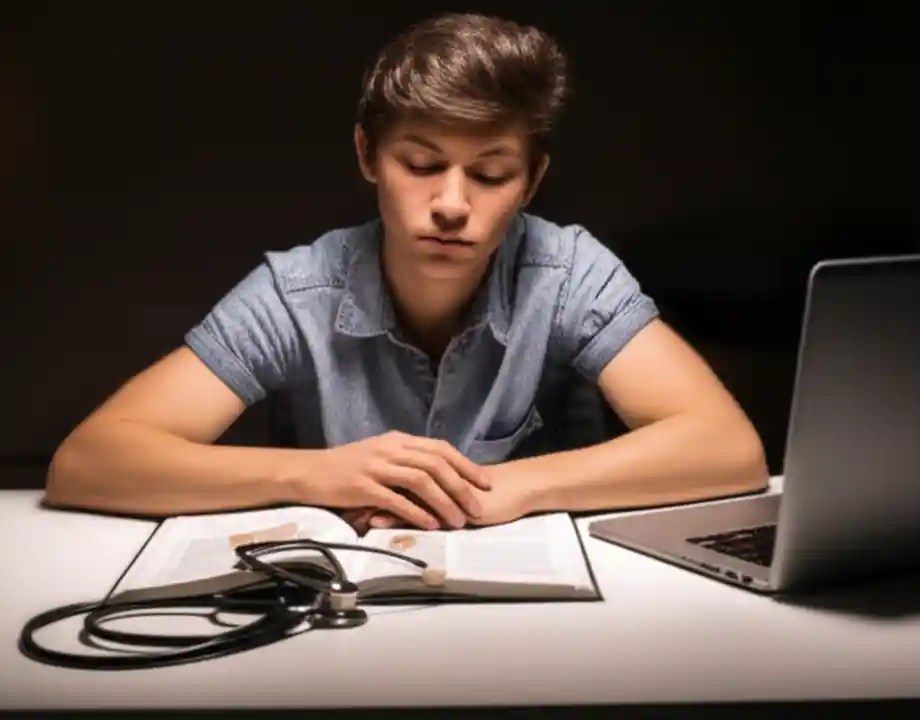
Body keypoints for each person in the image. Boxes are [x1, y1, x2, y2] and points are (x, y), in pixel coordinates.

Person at [44, 13, 768, 533]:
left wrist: (506, 488)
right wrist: (313, 476)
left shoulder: (567, 268)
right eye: (420, 165)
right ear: (367, 156)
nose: (451, 204)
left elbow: (729, 450)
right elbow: (89, 461)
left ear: (532, 181)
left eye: (490, 173)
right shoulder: (297, 290)